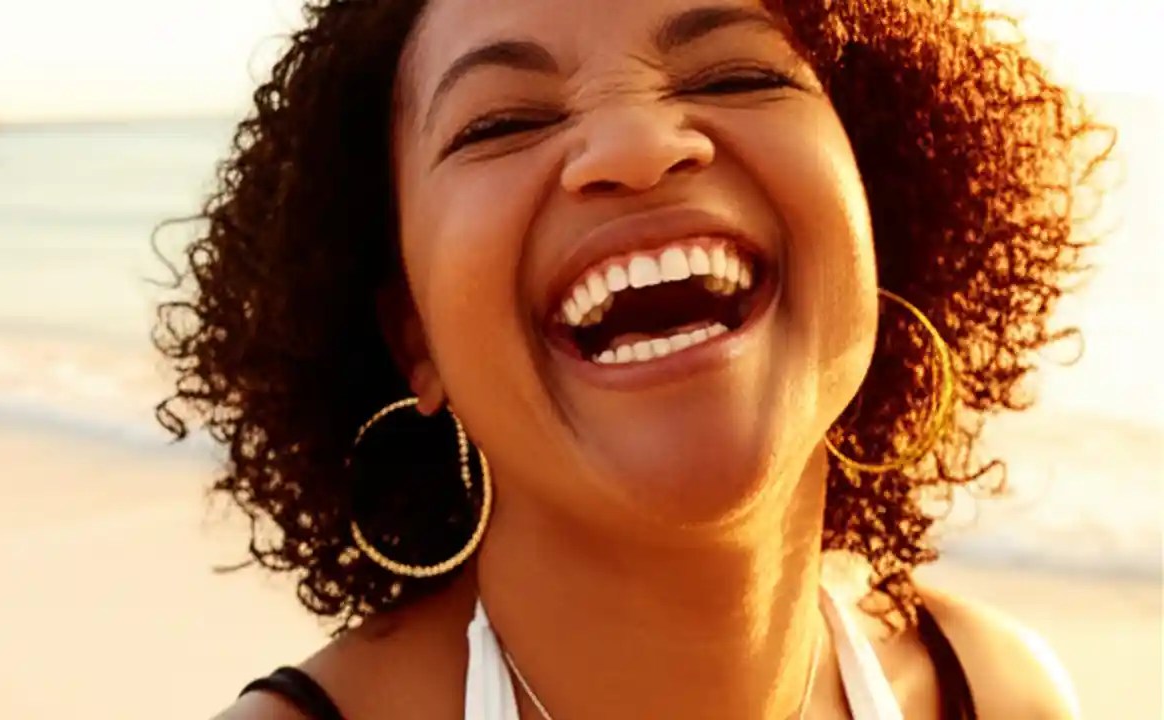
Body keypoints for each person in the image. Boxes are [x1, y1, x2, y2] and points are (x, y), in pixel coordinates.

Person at [154, 0, 1111, 717]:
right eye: (503, 124)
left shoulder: (995, 694)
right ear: (414, 335)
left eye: (736, 76)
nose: (635, 144)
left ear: (875, 215)